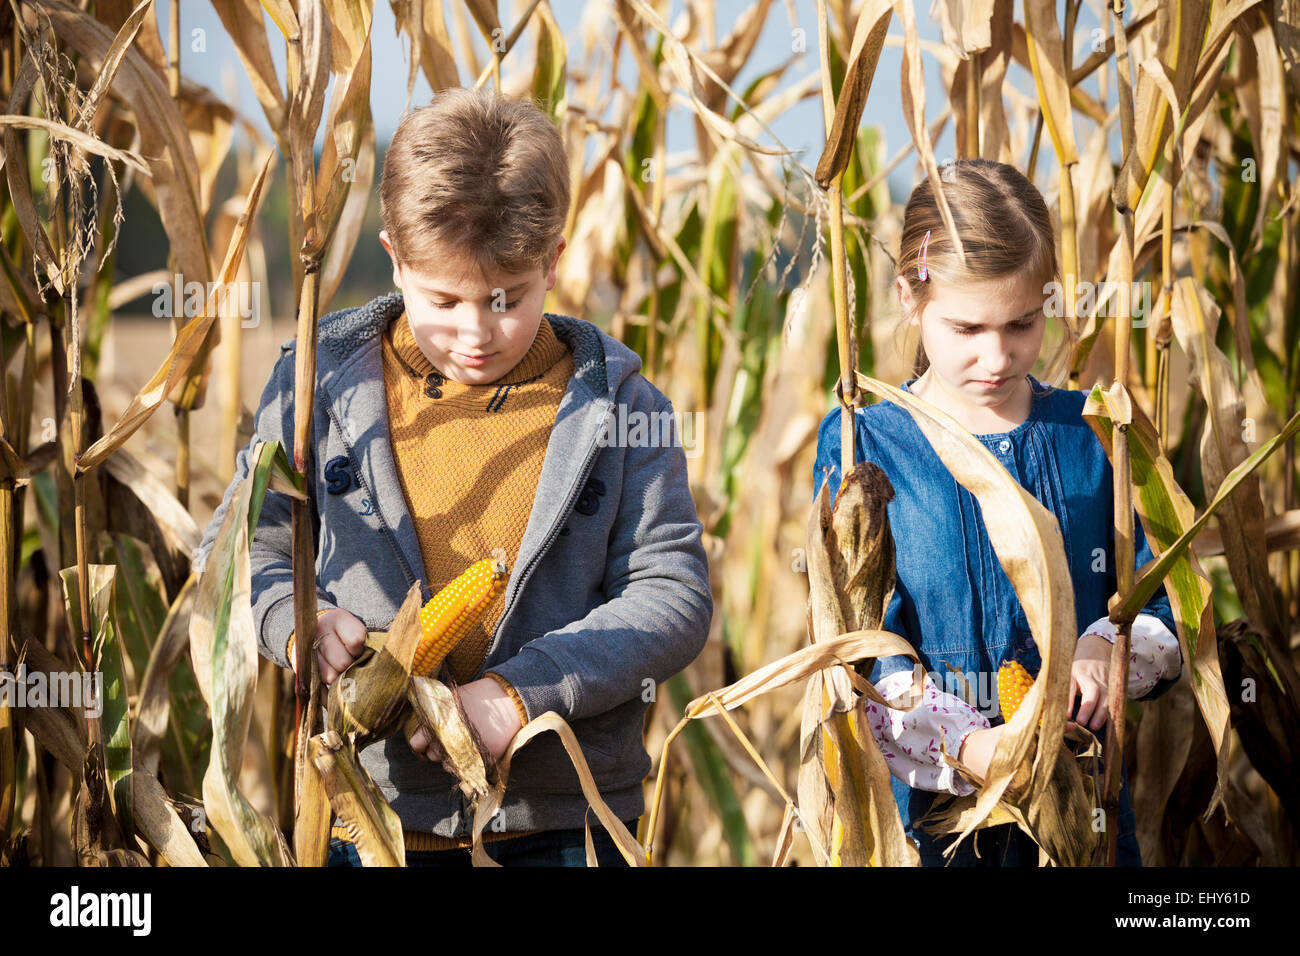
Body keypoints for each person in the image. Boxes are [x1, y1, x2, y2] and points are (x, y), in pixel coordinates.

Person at [192, 89, 713, 867]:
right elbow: (237, 552)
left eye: (507, 300)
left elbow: (671, 593)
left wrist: (519, 697)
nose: (474, 334)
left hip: (566, 821)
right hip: (366, 816)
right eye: (442, 299)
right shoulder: (318, 392)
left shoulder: (624, 407)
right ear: (393, 257)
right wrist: (296, 621)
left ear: (556, 260)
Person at [811, 159, 1182, 867]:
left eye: (1021, 323)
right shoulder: (868, 440)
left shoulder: (1093, 434)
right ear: (908, 299)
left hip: (1085, 812)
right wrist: (970, 745)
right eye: (967, 327)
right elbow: (860, 644)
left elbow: (1161, 603)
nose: (997, 355)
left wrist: (1110, 646)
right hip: (939, 823)